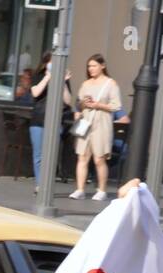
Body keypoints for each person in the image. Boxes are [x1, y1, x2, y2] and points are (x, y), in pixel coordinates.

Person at [69, 54, 121, 201]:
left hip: (102, 123)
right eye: (89, 66)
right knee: (82, 156)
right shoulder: (86, 84)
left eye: (94, 66)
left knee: (99, 158)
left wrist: (99, 105)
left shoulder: (111, 84)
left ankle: (102, 190)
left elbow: (116, 106)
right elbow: (78, 104)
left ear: (102, 65)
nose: (91, 69)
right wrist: (83, 104)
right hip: (85, 122)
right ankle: (80, 189)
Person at [27, 52, 73, 189]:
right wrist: (48, 77)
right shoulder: (39, 76)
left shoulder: (63, 79)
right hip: (38, 120)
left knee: (51, 156)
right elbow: (35, 93)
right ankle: (40, 186)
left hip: (55, 121)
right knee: (39, 155)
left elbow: (68, 101)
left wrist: (63, 82)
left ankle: (47, 185)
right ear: (46, 63)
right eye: (52, 62)